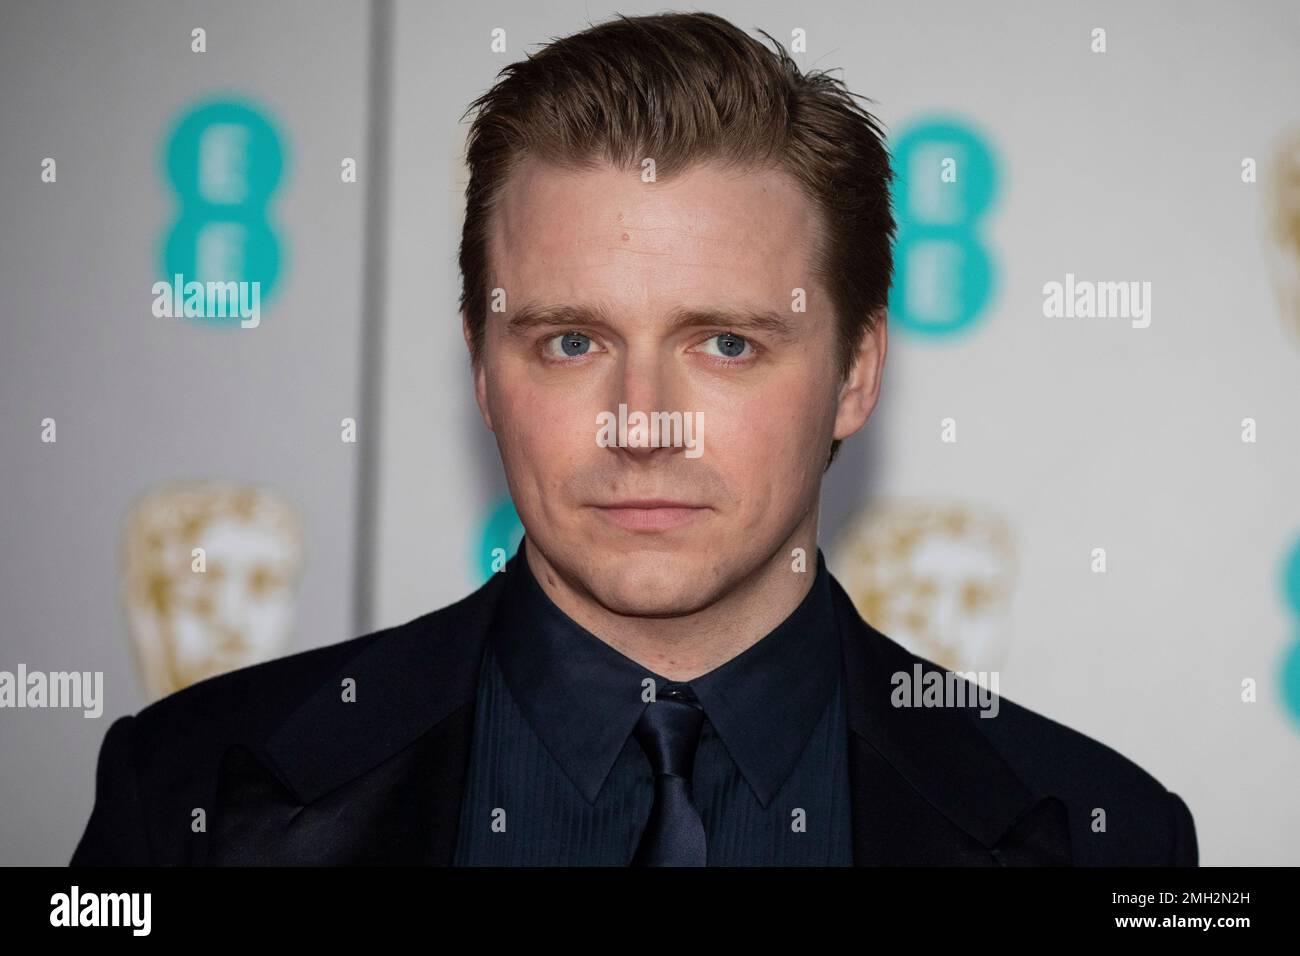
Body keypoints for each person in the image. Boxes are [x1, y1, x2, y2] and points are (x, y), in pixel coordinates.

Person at [71, 10, 1196, 866]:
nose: (641, 421)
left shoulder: (1105, 838)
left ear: (855, 372)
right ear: (479, 364)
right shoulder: (187, 796)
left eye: (725, 344)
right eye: (570, 342)